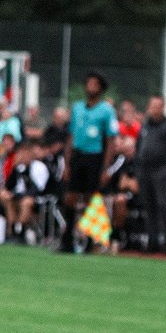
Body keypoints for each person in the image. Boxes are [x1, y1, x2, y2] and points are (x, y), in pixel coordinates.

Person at [65, 73, 117, 249]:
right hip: (78, 156)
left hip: (94, 156)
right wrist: (66, 163)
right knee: (70, 197)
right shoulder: (78, 108)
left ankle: (88, 240)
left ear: (101, 88)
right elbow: (71, 136)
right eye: (89, 83)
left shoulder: (106, 111)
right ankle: (67, 240)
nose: (91, 87)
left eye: (95, 84)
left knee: (91, 198)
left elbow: (110, 141)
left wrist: (105, 168)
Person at [134, 96, 166, 254]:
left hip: (161, 171)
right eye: (152, 106)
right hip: (145, 171)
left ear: (163, 107)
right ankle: (152, 242)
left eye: (158, 106)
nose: (155, 109)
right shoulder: (145, 126)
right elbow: (139, 145)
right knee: (149, 207)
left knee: (163, 207)